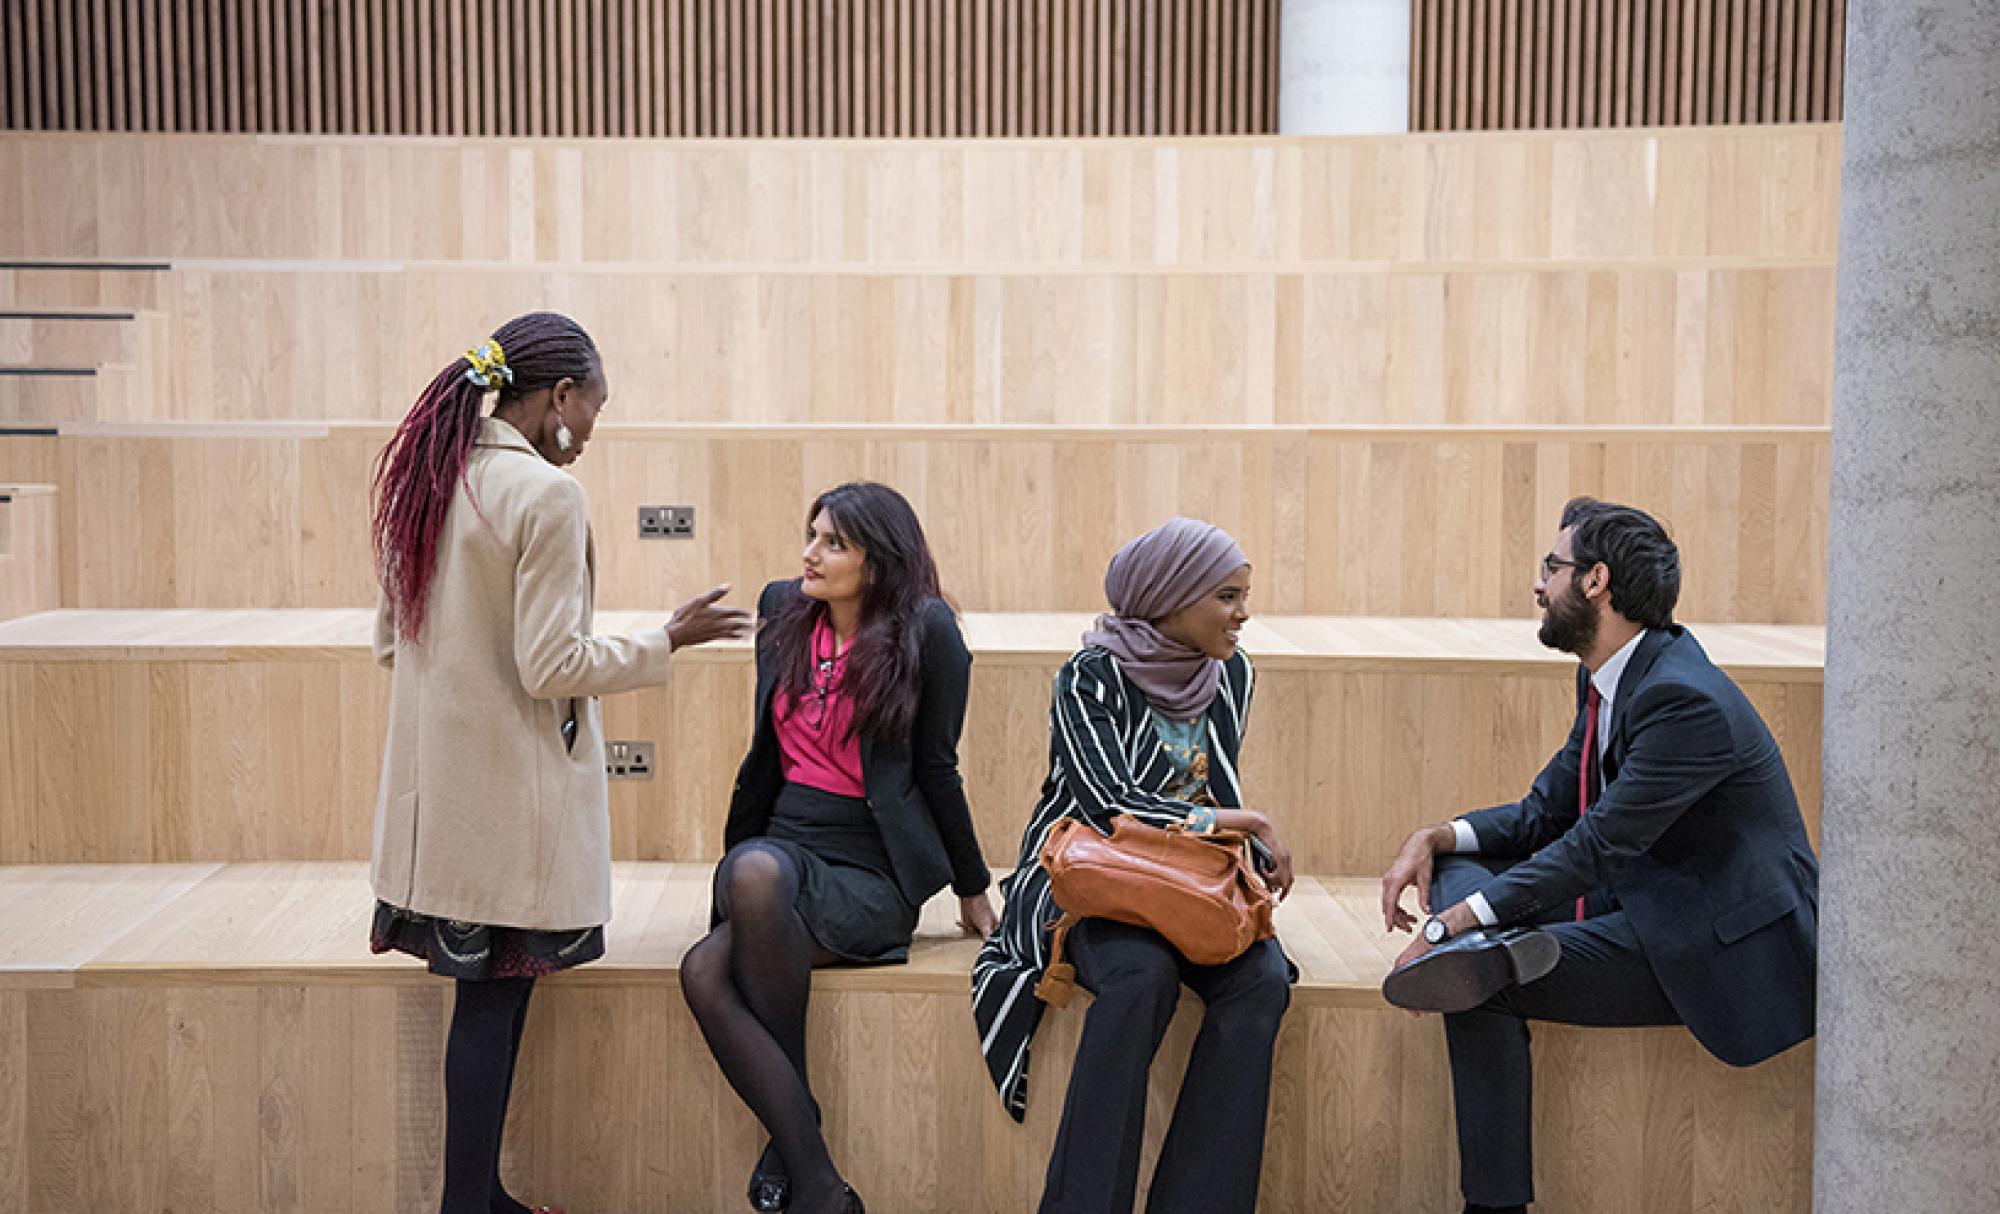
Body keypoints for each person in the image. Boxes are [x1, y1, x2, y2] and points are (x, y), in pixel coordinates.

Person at [367, 312, 750, 1214]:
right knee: (493, 1009)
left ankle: (481, 1197)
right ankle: (470, 1205)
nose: (589, 438)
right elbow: (552, 666)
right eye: (593, 414)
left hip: (436, 805)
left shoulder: (431, 476)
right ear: (560, 398)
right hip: (509, 808)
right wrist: (668, 638)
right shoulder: (544, 495)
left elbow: (391, 642)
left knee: (484, 1006)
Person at [1378, 496, 1820, 1214]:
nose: (1538, 585)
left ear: (1595, 582)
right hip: (1648, 892)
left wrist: (1446, 925)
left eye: (1551, 567)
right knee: (1473, 885)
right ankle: (1499, 942)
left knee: (1476, 980)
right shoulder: (1611, 673)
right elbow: (1547, 812)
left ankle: (1496, 1207)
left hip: (1713, 938)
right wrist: (1437, 837)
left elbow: (1597, 843)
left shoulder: (1683, 699)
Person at [679, 481, 997, 1214]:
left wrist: (971, 886)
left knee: (704, 970)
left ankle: (796, 1149)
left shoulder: (930, 633)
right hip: (782, 838)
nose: (809, 554)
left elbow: (937, 767)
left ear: (878, 564)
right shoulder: (781, 611)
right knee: (756, 870)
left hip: (869, 864)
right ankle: (814, 1166)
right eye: (811, 534)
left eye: (833, 543)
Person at [973, 517, 1297, 1214]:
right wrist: (1242, 824)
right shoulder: (1091, 674)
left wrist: (1250, 847)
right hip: (1094, 880)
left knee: (1262, 982)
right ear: (1173, 598)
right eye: (1228, 596)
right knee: (1139, 975)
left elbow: (1218, 780)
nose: (1244, 613)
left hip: (1192, 881)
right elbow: (1107, 804)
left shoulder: (1230, 672)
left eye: (1244, 595)